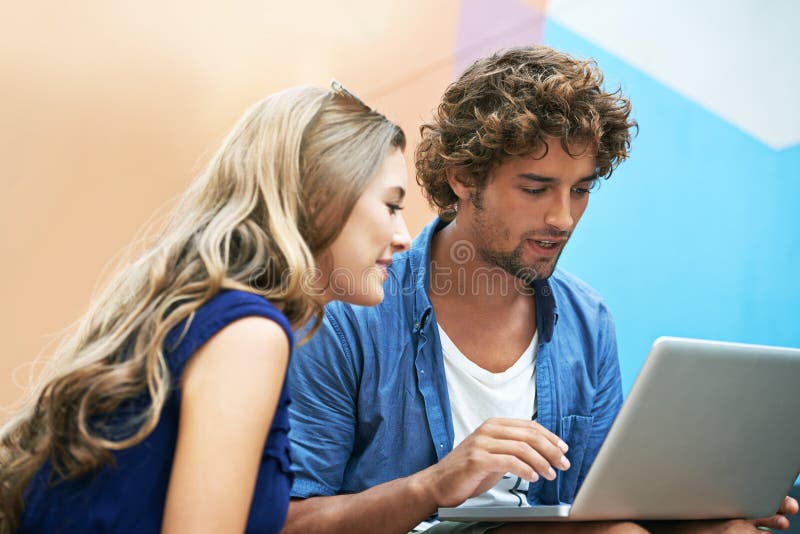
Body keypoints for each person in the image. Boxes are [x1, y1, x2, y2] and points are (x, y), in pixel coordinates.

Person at [284, 46, 798, 533]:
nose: (562, 218)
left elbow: (601, 509)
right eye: (535, 189)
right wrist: (436, 485)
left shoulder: (587, 319)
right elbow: (290, 522)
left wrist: (707, 511)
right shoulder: (347, 312)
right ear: (463, 176)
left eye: (580, 190)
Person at [0, 81, 411, 534]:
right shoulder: (249, 334)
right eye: (391, 206)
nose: (404, 235)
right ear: (319, 197)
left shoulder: (208, 313)